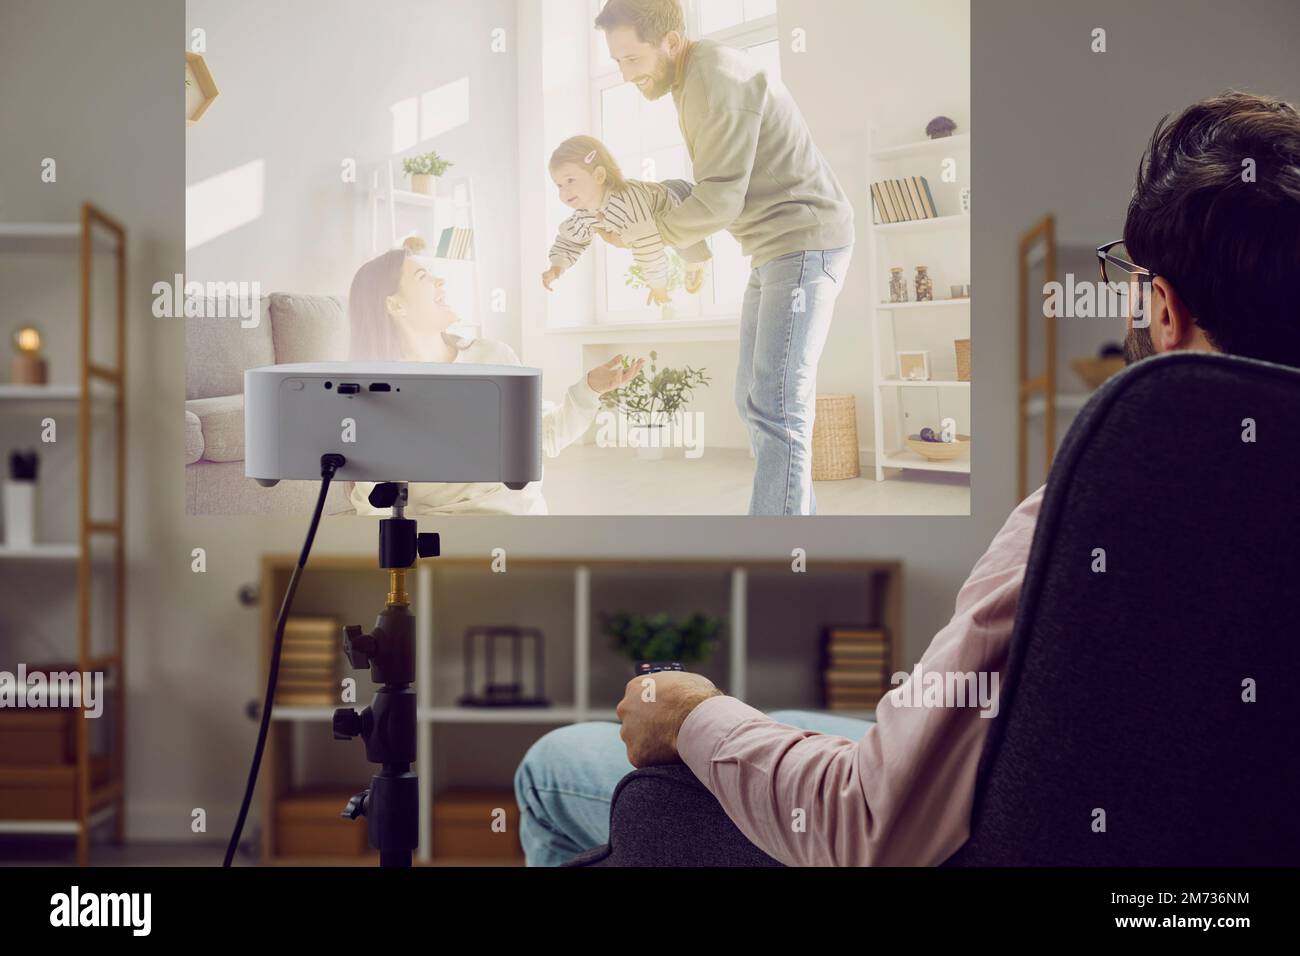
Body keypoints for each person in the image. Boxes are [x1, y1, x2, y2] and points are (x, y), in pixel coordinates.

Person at [515, 91, 1300, 865]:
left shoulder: (1099, 507)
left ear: (1164, 309)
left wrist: (693, 714)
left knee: (554, 764)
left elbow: (867, 824)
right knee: (791, 713)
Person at [592, 0, 855, 515]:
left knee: (778, 406)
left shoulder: (714, 82)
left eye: (631, 59)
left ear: (670, 41)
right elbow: (713, 185)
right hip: (775, 248)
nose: (625, 75)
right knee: (754, 399)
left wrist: (648, 233)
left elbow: (718, 199)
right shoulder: (689, 79)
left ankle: (777, 556)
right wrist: (665, 224)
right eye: (617, 62)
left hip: (803, 241)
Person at [345, 240, 644, 515]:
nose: (441, 281)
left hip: (524, 525)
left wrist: (589, 389)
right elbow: (373, 503)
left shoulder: (493, 357)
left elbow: (545, 437)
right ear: (395, 305)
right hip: (448, 536)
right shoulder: (381, 394)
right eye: (423, 277)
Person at [542, 135, 712, 304]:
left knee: (680, 235)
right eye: (559, 185)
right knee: (660, 228)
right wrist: (557, 267)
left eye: (570, 180)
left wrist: (658, 285)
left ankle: (696, 262)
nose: (564, 192)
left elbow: (647, 246)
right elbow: (571, 241)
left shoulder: (626, 202)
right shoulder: (584, 214)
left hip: (678, 197)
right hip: (656, 193)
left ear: (599, 175)